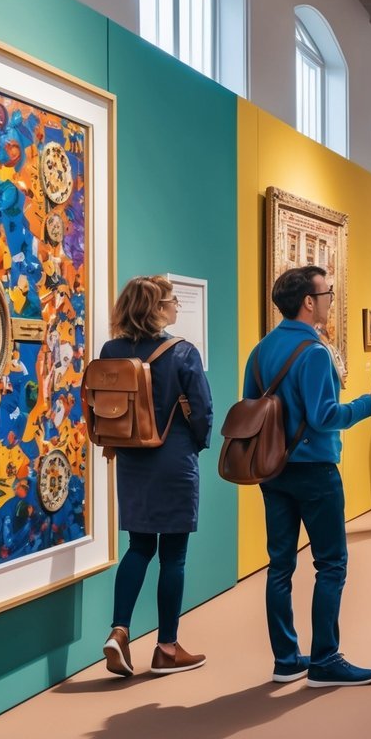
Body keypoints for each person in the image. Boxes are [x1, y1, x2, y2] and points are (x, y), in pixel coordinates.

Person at [244, 266, 371, 688]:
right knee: (331, 564)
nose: (332, 298)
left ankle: (286, 658)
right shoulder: (314, 352)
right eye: (327, 292)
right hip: (315, 472)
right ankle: (326, 659)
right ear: (309, 302)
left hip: (272, 470)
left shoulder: (260, 351)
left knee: (280, 566)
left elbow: (250, 409)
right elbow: (326, 417)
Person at [100, 275, 213, 678]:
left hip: (131, 459)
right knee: (174, 555)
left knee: (139, 548)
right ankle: (166, 647)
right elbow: (201, 409)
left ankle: (119, 630)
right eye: (172, 301)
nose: (176, 307)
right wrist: (198, 444)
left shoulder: (111, 350)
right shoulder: (182, 352)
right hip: (173, 458)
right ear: (157, 308)